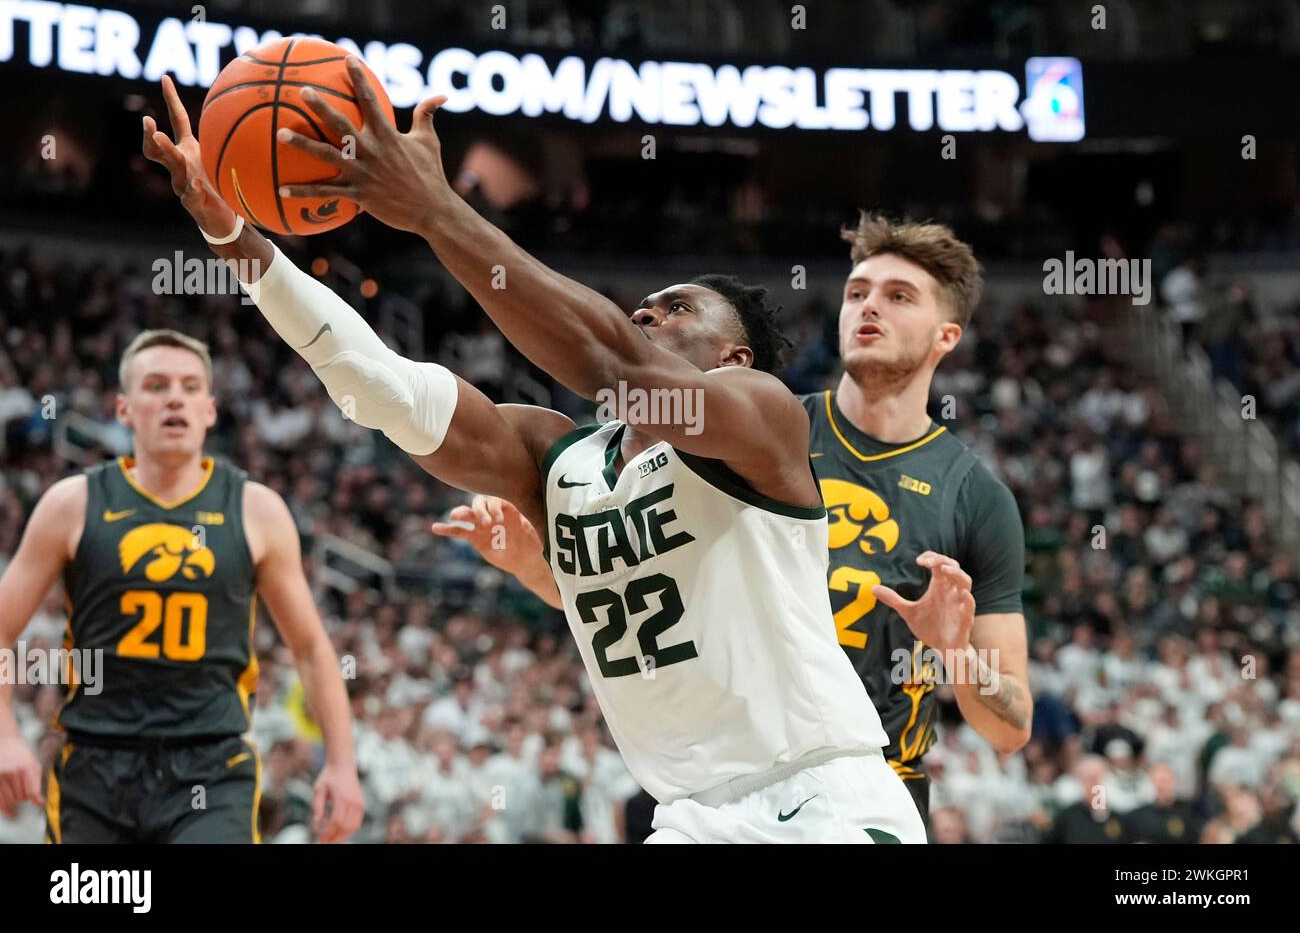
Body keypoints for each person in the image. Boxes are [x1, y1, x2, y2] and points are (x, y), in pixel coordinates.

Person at [141, 64, 933, 842]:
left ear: (733, 360)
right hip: (689, 814)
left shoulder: (766, 419)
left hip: (822, 799)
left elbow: (616, 366)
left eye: (677, 309)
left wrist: (436, 211)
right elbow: (378, 385)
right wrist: (229, 233)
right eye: (644, 306)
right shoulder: (560, 460)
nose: (648, 314)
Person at [441, 215, 1033, 832]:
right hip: (724, 795)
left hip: (869, 795)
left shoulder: (974, 496)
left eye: (898, 296)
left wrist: (956, 653)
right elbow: (630, 602)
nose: (868, 308)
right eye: (857, 291)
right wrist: (531, 565)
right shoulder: (747, 428)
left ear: (946, 336)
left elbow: (1009, 728)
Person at [0, 327, 363, 842]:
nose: (175, 397)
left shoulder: (256, 509)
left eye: (191, 387)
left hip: (212, 770)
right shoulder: (72, 503)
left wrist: (343, 765)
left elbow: (309, 646)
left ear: (210, 409)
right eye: (157, 385)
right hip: (96, 768)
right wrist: (5, 736)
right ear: (124, 409)